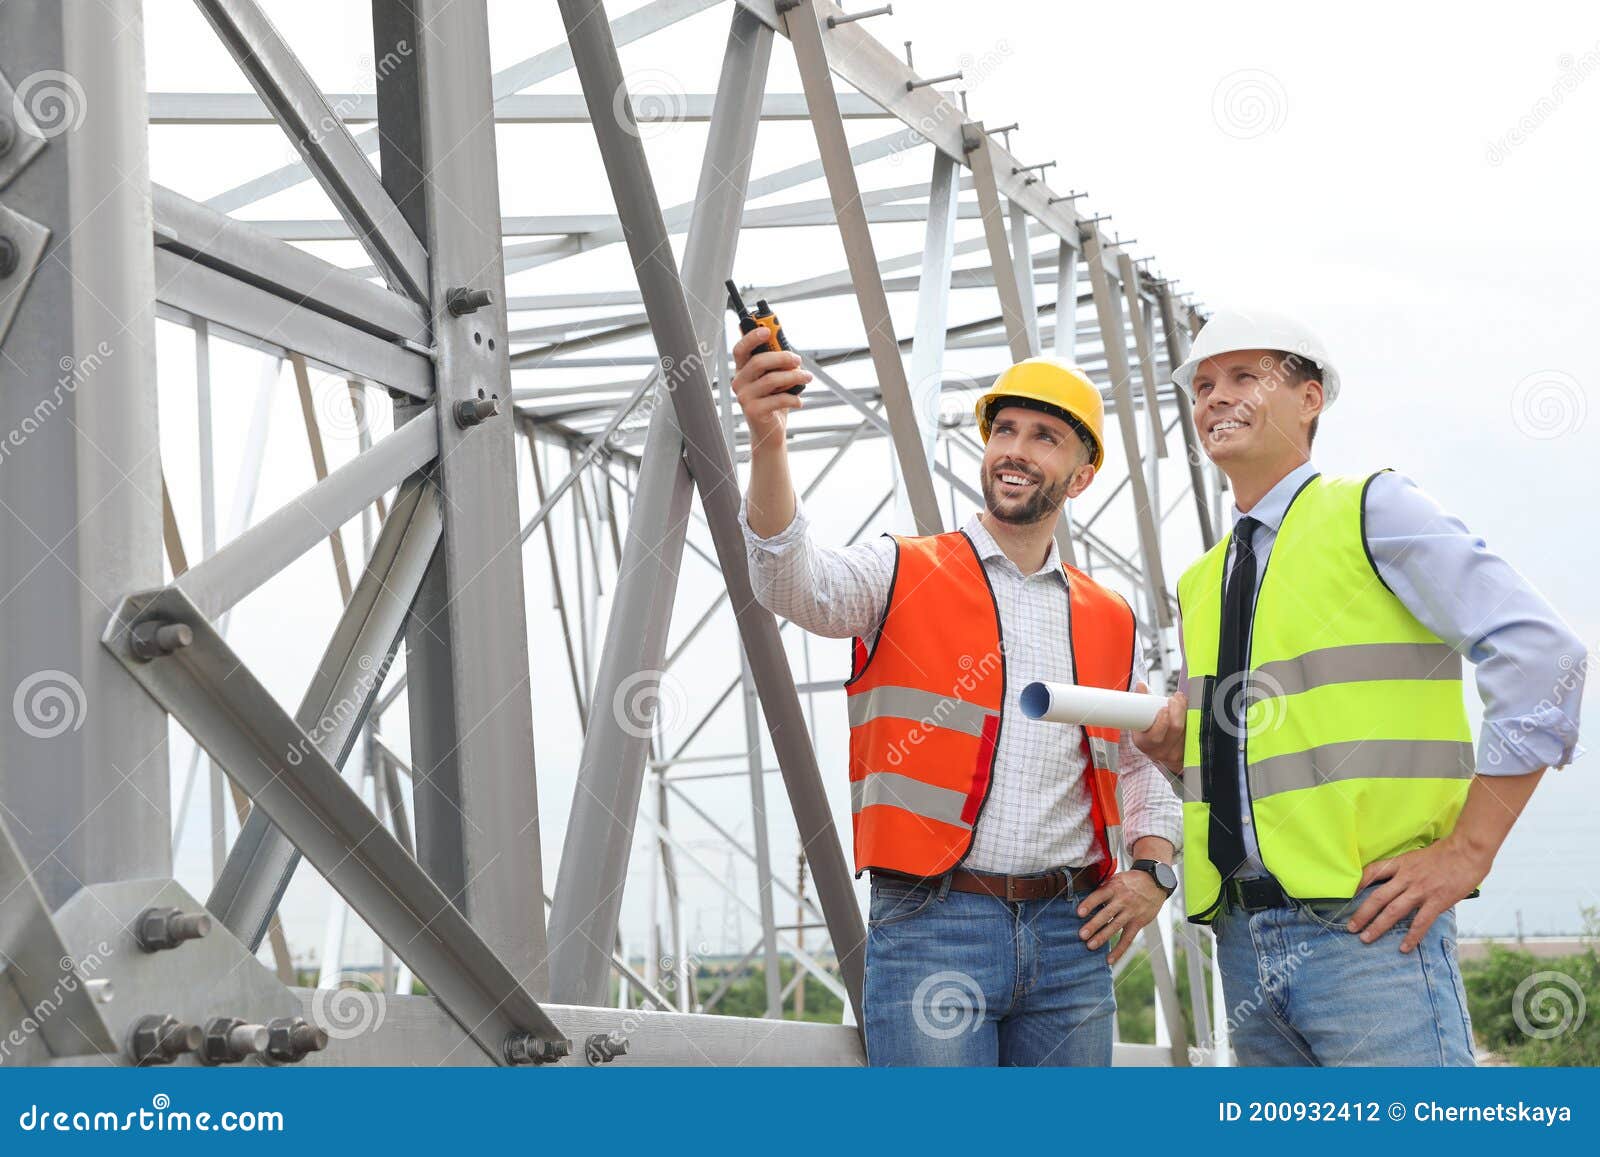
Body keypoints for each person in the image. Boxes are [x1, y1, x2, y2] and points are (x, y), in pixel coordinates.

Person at [1133, 307, 1588, 1066]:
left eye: (1245, 376)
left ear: (1310, 398)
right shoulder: (1203, 579)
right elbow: (1266, 773)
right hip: (1243, 942)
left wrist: (1470, 849)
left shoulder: (1374, 509)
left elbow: (1544, 654)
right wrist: (1170, 758)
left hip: (1366, 935)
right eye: (1204, 384)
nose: (1214, 397)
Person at [732, 327, 1183, 1066]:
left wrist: (1155, 871)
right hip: (934, 923)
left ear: (1080, 476)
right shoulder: (903, 570)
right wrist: (768, 440)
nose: (1015, 448)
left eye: (1043, 437)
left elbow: (1140, 763)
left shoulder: (1111, 618)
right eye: (1003, 429)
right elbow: (793, 584)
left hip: (1073, 936)